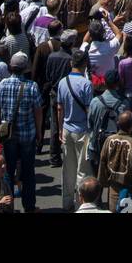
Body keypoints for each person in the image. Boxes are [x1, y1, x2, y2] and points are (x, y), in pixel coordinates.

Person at [0, 50, 42, 213]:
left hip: (8, 136)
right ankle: (29, 206)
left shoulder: (2, 84)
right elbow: (38, 112)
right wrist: (39, 133)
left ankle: (8, 206)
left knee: (8, 171)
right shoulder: (32, 86)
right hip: (27, 135)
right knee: (28, 172)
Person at [57, 48, 94, 212]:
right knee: (82, 170)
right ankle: (81, 204)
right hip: (82, 131)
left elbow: (60, 108)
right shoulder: (87, 84)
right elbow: (89, 111)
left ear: (72, 63)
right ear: (85, 64)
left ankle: (66, 203)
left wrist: (59, 129)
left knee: (68, 169)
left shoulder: (62, 82)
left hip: (66, 128)